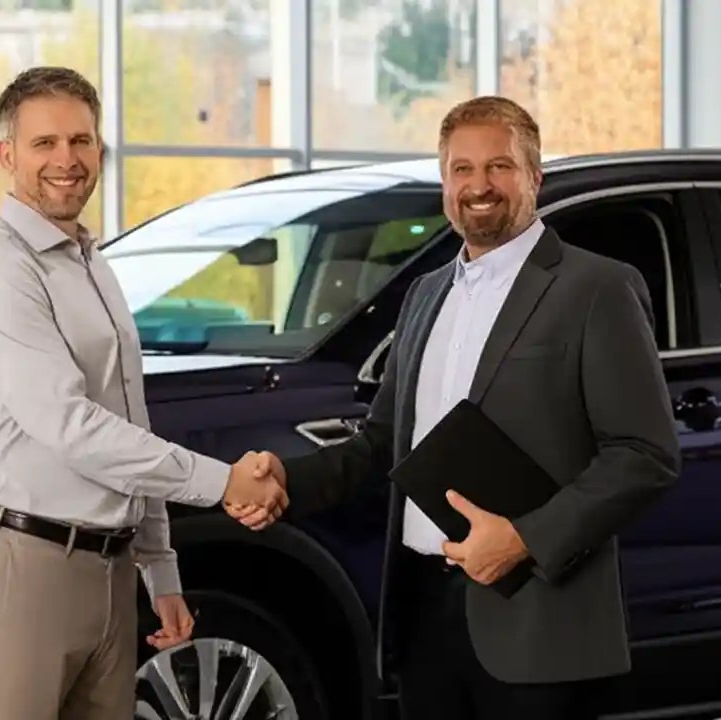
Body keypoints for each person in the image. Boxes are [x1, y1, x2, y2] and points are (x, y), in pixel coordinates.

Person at [230, 96, 680, 719]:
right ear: (445, 181)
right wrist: (287, 478)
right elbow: (384, 441)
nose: (479, 186)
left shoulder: (595, 289)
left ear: (534, 176)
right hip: (423, 616)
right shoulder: (424, 294)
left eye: (499, 167)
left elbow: (645, 455)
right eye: (462, 170)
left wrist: (525, 539)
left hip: (537, 622)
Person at [0, 66, 287, 720]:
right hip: (26, 572)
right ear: (6, 155)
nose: (67, 161)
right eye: (44, 144)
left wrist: (159, 568)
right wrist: (224, 483)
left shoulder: (88, 260)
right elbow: (71, 427)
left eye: (81, 141)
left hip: (109, 570)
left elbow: (128, 416)